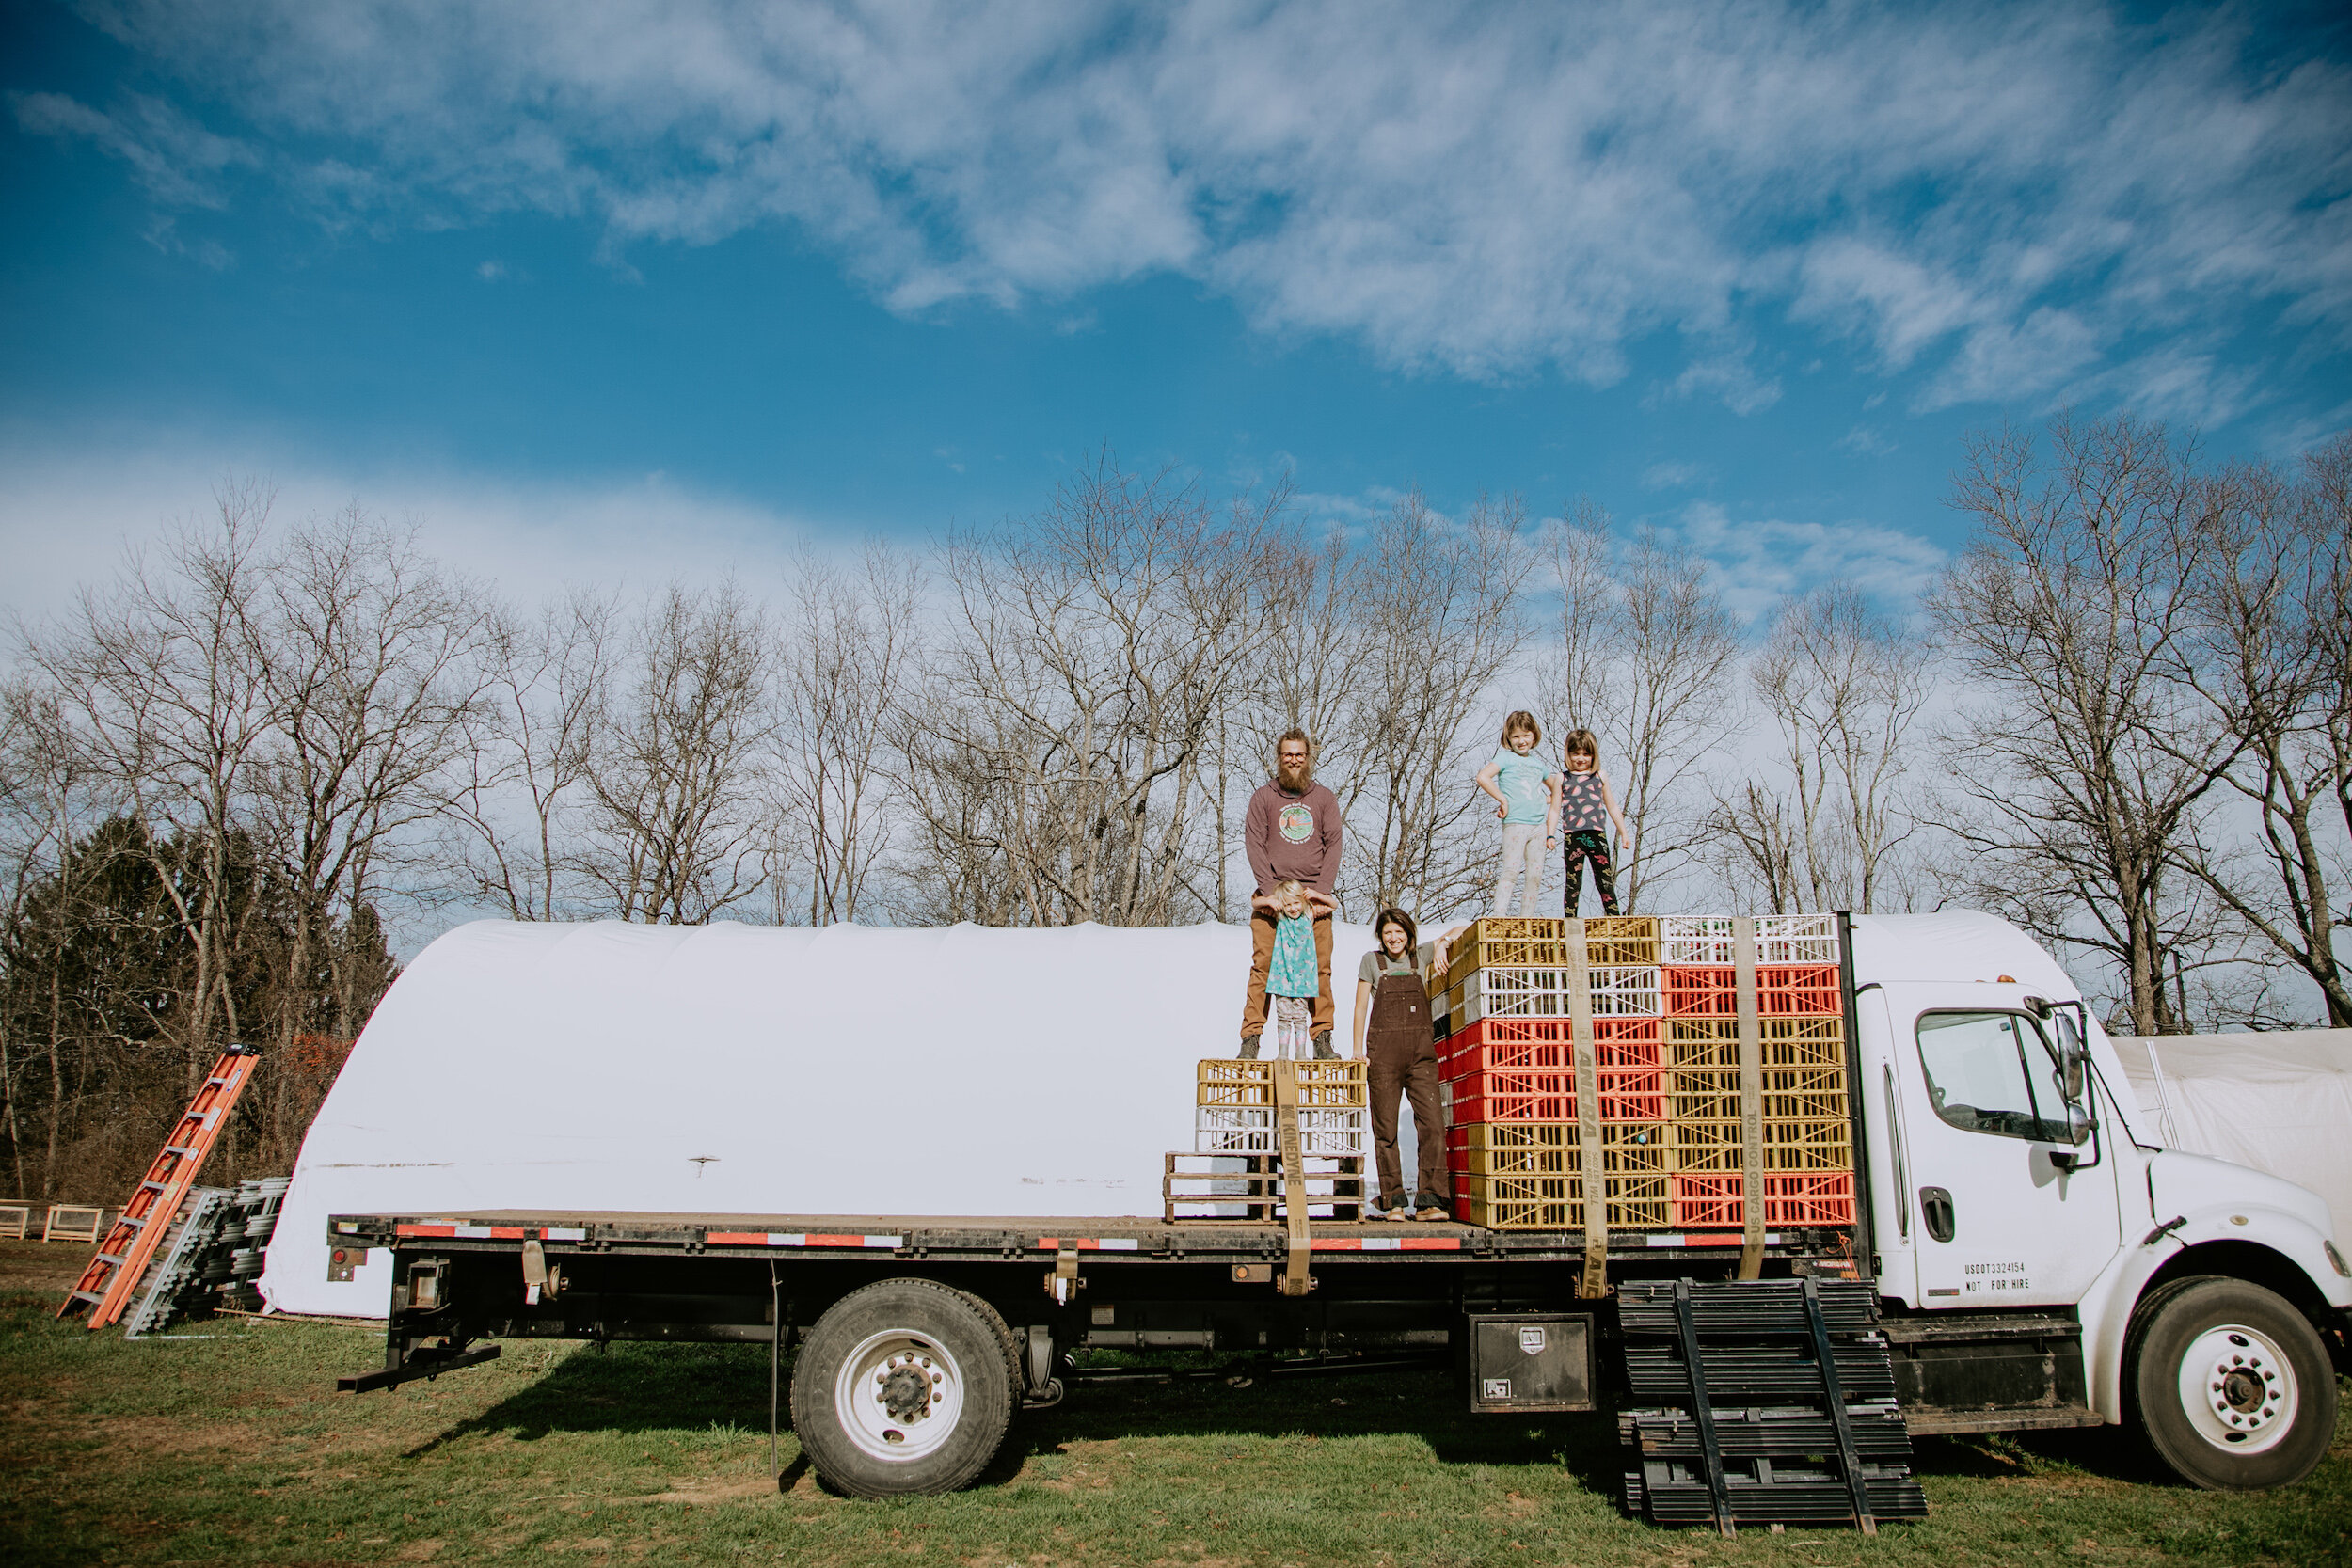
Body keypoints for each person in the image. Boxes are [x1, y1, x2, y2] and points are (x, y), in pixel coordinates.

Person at [1241, 729, 1343, 1058]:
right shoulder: (1263, 797)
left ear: (1308, 757)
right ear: (1279, 757)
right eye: (1288, 754)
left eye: (1299, 754)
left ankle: (1322, 1038)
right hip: (1273, 901)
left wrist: (1321, 893)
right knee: (1263, 968)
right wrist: (1273, 895)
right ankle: (1251, 1039)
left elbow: (1334, 843)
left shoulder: (1323, 798)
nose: (1294, 760)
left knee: (1321, 969)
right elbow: (1254, 844)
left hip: (1312, 900)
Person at [1352, 907, 1452, 1222]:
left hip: (1421, 1057)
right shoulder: (1372, 961)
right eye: (1388, 933)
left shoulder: (1419, 957)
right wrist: (1358, 1050)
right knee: (1386, 1129)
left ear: (1409, 934)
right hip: (1383, 1056)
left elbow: (1462, 927)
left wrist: (1443, 944)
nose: (1394, 938)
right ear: (1380, 937)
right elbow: (1360, 1006)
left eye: (1399, 932)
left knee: (1433, 1125)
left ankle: (1430, 1201)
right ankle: (1393, 1201)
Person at [1474, 710, 1561, 916]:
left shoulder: (1538, 765)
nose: (1521, 741)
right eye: (1516, 736)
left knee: (1535, 875)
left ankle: (1526, 919)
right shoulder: (1505, 758)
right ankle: (1499, 916)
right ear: (1509, 738)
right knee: (1511, 871)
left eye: (1526, 735)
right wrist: (1502, 799)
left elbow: (1558, 789)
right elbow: (1483, 777)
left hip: (1538, 827)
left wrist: (1545, 799)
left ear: (1534, 736)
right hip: (1515, 823)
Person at [1253, 879, 1336, 1059]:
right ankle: (1282, 1052)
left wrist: (1316, 895)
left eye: (1296, 903)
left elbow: (1333, 905)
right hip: (1282, 976)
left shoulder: (1308, 915)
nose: (1292, 908)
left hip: (1303, 977)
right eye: (1288, 904)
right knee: (1283, 1017)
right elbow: (1255, 904)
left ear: (1303, 902)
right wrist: (1269, 901)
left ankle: (1301, 1052)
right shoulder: (1281, 916)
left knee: (1299, 1017)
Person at [1558, 727, 1633, 916]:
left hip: (1596, 833)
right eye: (1576, 754)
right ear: (1569, 754)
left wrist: (1623, 831)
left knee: (1604, 879)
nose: (1581, 759)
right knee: (1573, 881)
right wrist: (1550, 833)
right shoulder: (1563, 778)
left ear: (1593, 755)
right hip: (1573, 836)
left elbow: (1612, 806)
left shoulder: (1599, 776)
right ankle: (1570, 920)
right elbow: (1553, 807)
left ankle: (1614, 918)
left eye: (1586, 754)